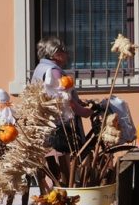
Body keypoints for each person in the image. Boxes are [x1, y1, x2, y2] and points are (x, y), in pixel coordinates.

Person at [31, 36, 94, 187]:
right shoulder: (54, 71)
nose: (67, 54)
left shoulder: (40, 68)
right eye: (64, 51)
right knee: (68, 170)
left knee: (55, 171)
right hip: (61, 129)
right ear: (55, 54)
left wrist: (79, 101)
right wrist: (85, 112)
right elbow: (66, 101)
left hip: (46, 125)